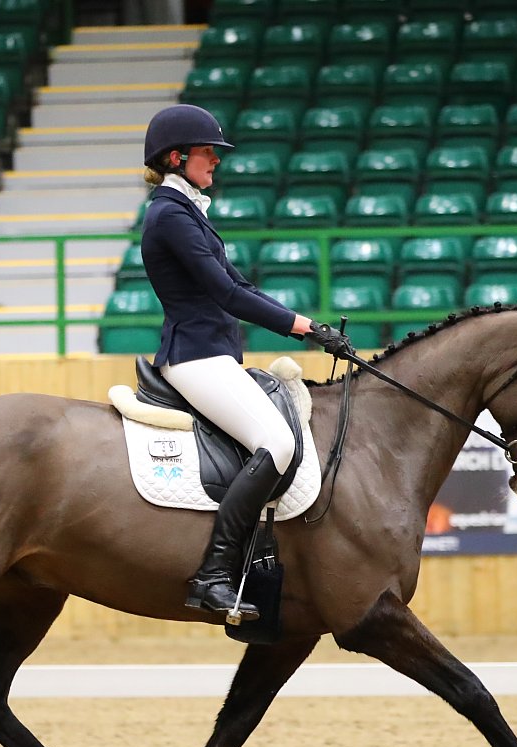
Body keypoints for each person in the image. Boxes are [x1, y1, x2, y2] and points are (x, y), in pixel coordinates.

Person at [139, 103, 352, 622]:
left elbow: (240, 285)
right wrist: (302, 329)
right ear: (176, 157)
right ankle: (213, 574)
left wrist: (310, 325)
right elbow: (227, 295)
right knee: (277, 443)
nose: (216, 160)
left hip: (213, 354)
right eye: (207, 152)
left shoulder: (187, 211)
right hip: (195, 356)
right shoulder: (170, 215)